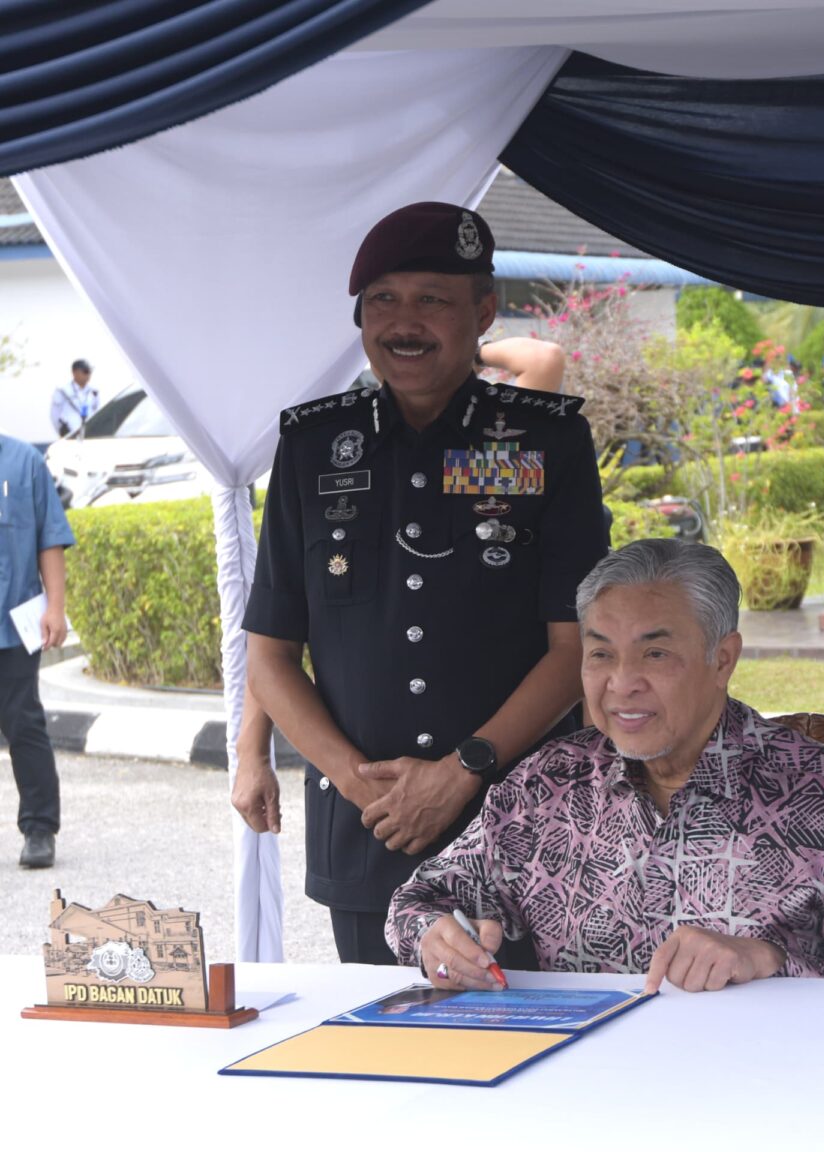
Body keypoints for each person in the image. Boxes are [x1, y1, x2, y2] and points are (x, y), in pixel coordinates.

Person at [240, 201, 609, 964]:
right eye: (383, 301)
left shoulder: (545, 442)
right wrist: (353, 781)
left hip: (523, 826)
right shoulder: (312, 449)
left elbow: (576, 647)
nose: (403, 322)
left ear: (483, 314)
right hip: (369, 831)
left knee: (542, 1062)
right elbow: (271, 653)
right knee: (384, 1067)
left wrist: (460, 773)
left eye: (431, 300)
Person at [387, 538, 824, 991]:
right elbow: (416, 901)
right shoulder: (546, 786)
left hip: (764, 1094)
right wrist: (435, 937)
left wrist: (768, 961)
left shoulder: (823, 793)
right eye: (601, 653)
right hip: (589, 1094)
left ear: (722, 659)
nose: (622, 683)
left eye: (655, 653)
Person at [0, 437, 73, 868]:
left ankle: (40, 828)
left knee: (24, 724)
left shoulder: (23, 462)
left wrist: (56, 607)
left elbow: (50, 536)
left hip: (12, 627)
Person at [50, 360, 99, 438]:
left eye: (90, 372)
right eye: (86, 371)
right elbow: (55, 415)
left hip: (89, 434)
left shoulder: (94, 391)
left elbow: (97, 411)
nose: (89, 375)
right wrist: (62, 433)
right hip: (70, 435)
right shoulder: (63, 391)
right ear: (75, 372)